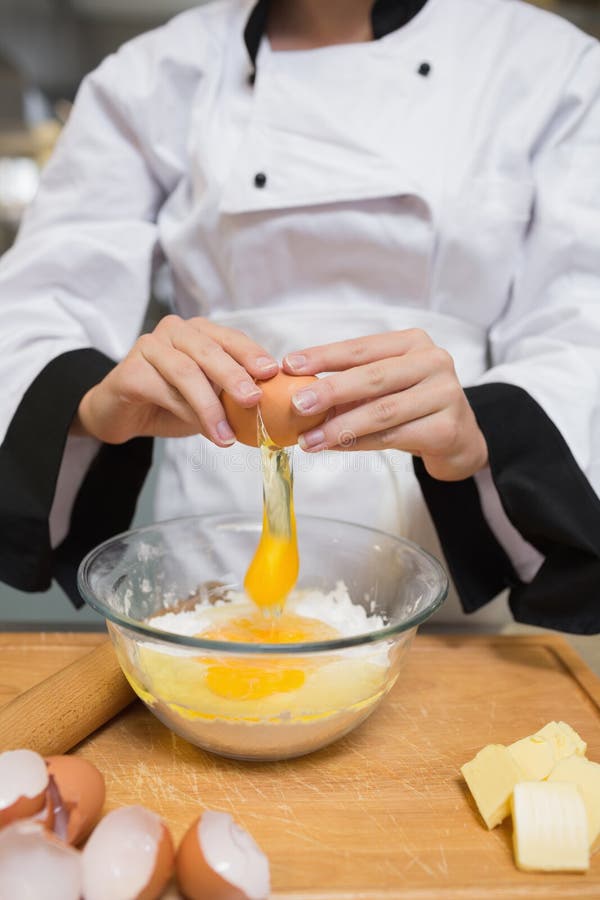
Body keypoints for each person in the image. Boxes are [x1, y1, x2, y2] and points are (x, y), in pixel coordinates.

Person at [0, 0, 599, 634]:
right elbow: (38, 303)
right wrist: (93, 403)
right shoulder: (152, 76)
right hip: (205, 551)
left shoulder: (551, 68)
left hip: (448, 564)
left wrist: (481, 433)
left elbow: (582, 325)